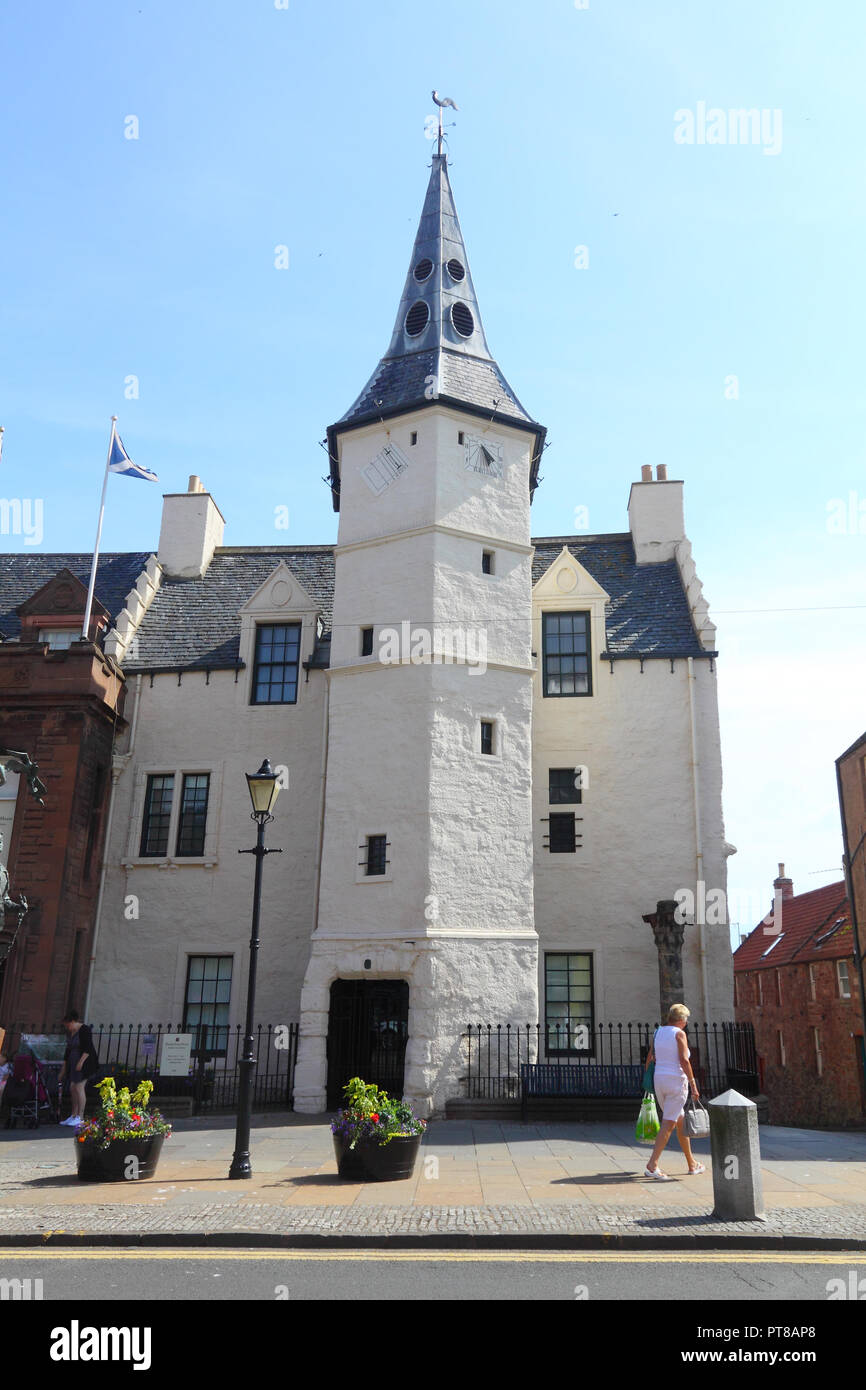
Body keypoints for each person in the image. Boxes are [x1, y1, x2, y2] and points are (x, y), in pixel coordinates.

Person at [642, 1003, 706, 1180]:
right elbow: (684, 1061)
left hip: (659, 1081)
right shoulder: (680, 1034)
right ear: (682, 1020)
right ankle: (652, 1165)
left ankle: (692, 1164)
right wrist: (693, 1084)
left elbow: (649, 1058)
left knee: (680, 1122)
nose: (686, 1023)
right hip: (675, 1082)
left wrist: (650, 1079)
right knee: (669, 1123)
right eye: (686, 1020)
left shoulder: (658, 1032)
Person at [58, 1010, 99, 1127]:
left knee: (79, 1087)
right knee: (72, 1088)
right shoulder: (71, 1034)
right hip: (73, 1064)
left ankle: (80, 1117)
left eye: (67, 1025)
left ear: (72, 1022)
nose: (67, 1028)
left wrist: (80, 1062)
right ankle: (73, 1115)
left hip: (85, 1064)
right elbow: (67, 1052)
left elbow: (88, 1048)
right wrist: (63, 1070)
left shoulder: (84, 1030)